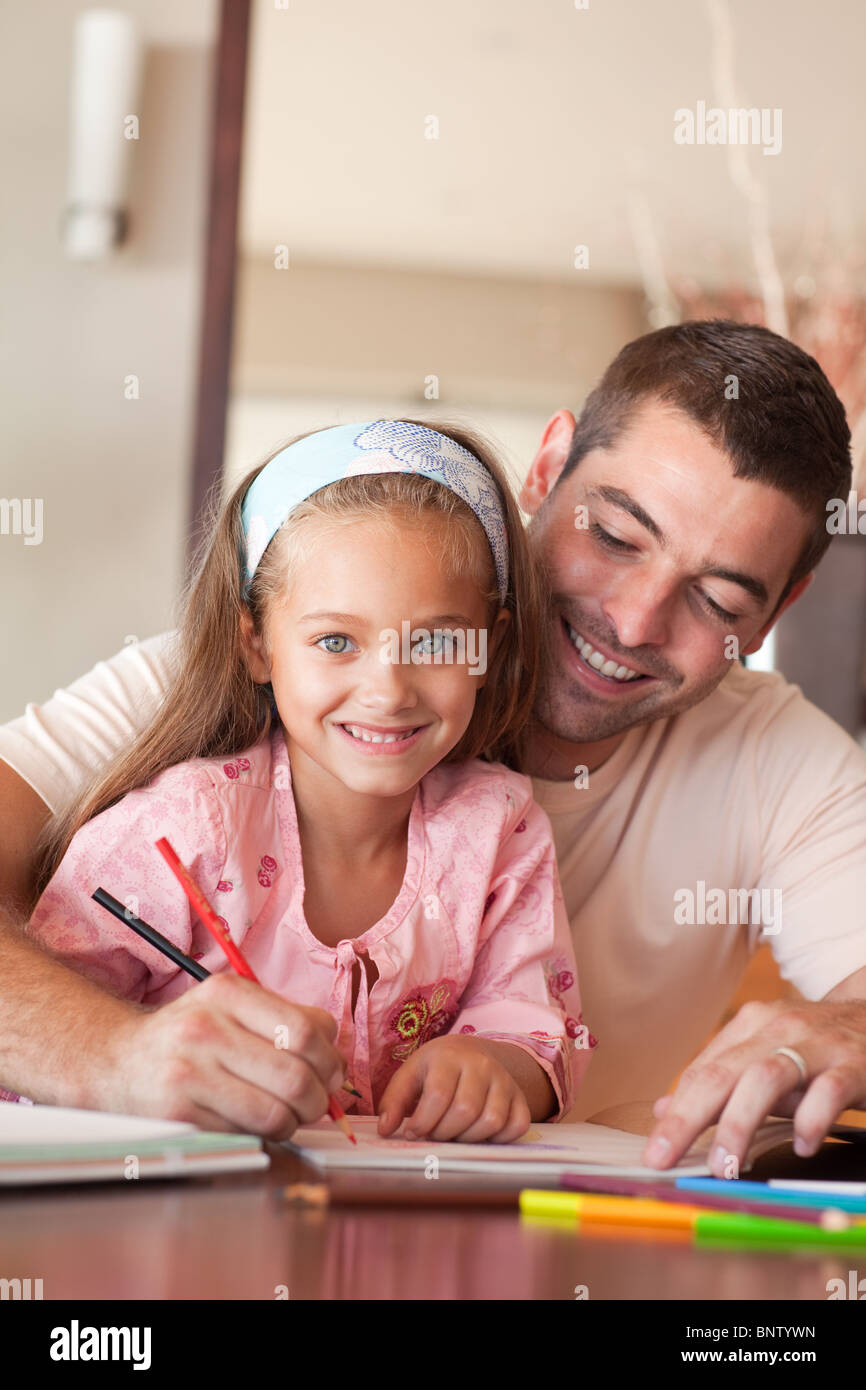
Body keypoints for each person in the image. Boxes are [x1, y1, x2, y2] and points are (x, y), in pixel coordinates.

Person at [2, 320, 865, 1173]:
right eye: (613, 537)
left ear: (780, 611)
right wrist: (115, 1055)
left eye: (716, 599)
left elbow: (532, 1028)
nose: (635, 621)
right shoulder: (217, 693)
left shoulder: (771, 764)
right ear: (547, 464)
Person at [0, 418, 590, 1143]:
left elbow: (537, 1023)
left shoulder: (501, 827)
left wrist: (495, 1064)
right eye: (336, 641)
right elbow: (35, 1066)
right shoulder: (181, 827)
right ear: (257, 646)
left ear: (488, 649)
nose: (388, 689)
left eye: (436, 640)